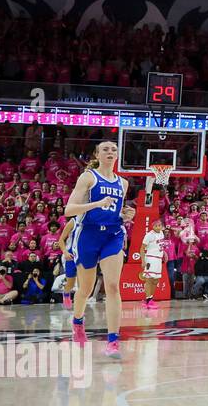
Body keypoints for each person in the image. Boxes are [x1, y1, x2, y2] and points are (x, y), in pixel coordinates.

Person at [64, 140, 133, 360]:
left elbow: (115, 211)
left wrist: (125, 216)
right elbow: (69, 210)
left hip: (113, 234)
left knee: (112, 286)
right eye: (106, 149)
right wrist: (96, 204)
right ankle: (77, 321)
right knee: (85, 289)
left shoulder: (123, 183)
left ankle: (113, 340)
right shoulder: (88, 177)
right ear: (97, 154)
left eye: (114, 149)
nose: (110, 152)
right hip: (88, 235)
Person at [140, 217, 166, 310]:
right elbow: (142, 249)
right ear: (152, 226)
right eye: (156, 226)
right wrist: (143, 260)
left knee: (155, 280)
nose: (158, 227)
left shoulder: (162, 233)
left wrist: (165, 254)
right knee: (149, 279)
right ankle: (148, 300)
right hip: (150, 259)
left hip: (158, 259)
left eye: (159, 225)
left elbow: (160, 246)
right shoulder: (149, 235)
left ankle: (150, 298)